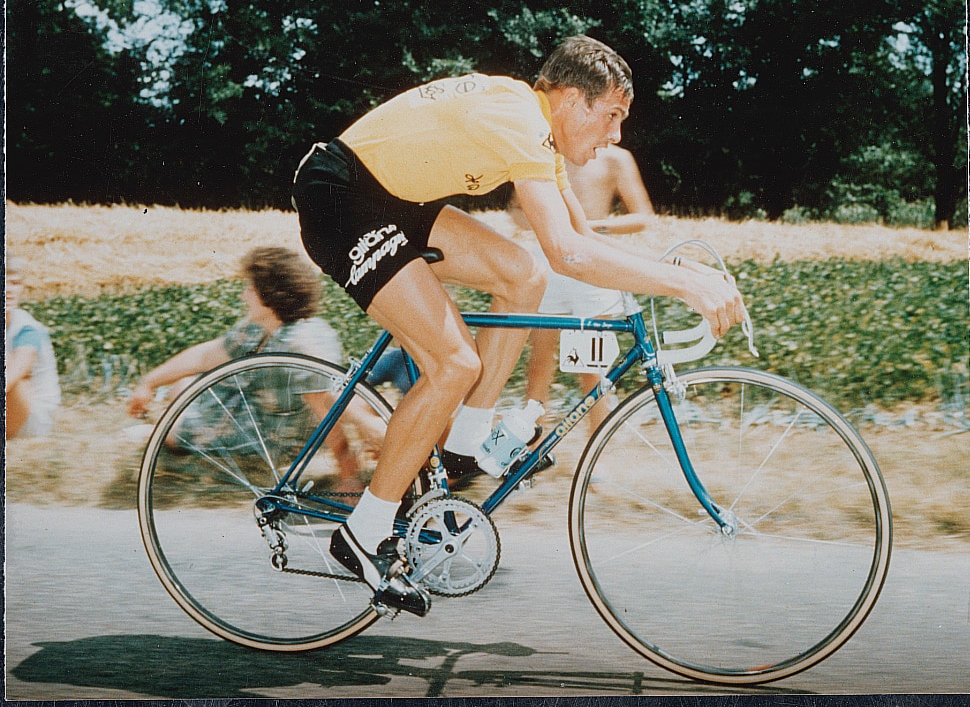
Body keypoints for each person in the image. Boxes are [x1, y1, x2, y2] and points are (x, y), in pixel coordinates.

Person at [292, 34, 747, 615]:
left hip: (393, 200)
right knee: (454, 363)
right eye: (610, 116)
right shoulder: (520, 119)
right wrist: (686, 285)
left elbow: (579, 241)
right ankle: (362, 534)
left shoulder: (540, 133)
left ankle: (459, 449)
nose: (616, 136)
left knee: (521, 275)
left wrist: (671, 269)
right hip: (342, 196)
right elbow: (572, 256)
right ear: (571, 99)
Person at [127, 246, 386, 494]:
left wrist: (349, 477)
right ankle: (161, 427)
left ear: (269, 294)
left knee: (171, 430)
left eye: (250, 288)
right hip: (256, 406)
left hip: (275, 434)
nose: (243, 295)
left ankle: (155, 436)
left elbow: (326, 415)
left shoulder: (299, 343)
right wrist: (149, 382)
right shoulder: (263, 327)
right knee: (182, 387)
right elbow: (206, 356)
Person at [509, 143, 655, 435]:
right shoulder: (544, 153)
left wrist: (590, 226)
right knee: (538, 364)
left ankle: (596, 454)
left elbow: (642, 217)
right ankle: (532, 449)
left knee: (592, 370)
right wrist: (547, 221)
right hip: (549, 261)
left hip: (592, 267)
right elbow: (515, 210)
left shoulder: (616, 158)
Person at [6, 255, 61, 439]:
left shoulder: (27, 328)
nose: (8, 290)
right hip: (12, 412)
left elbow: (11, 377)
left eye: (15, 283)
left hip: (36, 419)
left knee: (12, 374)